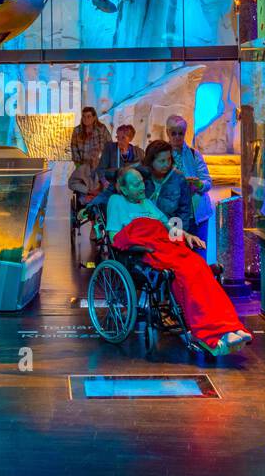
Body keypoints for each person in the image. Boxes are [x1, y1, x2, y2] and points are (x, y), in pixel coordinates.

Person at [104, 166, 251, 357]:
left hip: (168, 246)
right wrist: (139, 240)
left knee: (201, 268)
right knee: (187, 274)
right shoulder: (116, 201)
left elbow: (167, 226)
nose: (142, 186)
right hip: (146, 252)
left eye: (142, 182)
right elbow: (115, 237)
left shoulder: (147, 203)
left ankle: (229, 326)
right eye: (135, 184)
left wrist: (187, 235)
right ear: (122, 189)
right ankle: (208, 332)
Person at [165, 114, 213, 257]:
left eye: (181, 133)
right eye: (174, 133)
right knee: (175, 257)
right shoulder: (163, 156)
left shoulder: (194, 154)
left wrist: (198, 184)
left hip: (198, 214)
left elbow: (207, 182)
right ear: (167, 132)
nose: (177, 137)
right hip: (174, 215)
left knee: (199, 255)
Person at [69, 106, 111, 200]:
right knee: (77, 184)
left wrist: (105, 161)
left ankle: (98, 201)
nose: (86, 119)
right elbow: (74, 147)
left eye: (88, 116)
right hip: (84, 164)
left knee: (100, 185)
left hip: (99, 163)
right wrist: (78, 164)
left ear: (94, 117)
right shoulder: (77, 130)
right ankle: (87, 197)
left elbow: (109, 145)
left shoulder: (101, 128)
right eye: (84, 116)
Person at [97, 123, 143, 190]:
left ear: (130, 138)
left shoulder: (138, 152)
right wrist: (105, 183)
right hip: (112, 186)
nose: (119, 141)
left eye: (123, 138)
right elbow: (100, 169)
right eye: (118, 137)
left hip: (131, 188)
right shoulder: (110, 148)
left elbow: (141, 172)